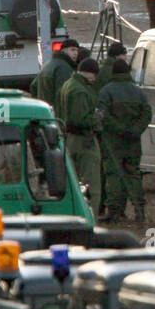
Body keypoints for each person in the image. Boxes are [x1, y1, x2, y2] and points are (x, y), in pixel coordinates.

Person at [97, 59, 152, 224]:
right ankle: (139, 209)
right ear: (128, 72)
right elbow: (147, 114)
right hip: (134, 141)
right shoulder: (138, 92)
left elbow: (103, 115)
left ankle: (114, 211)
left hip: (113, 141)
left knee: (114, 175)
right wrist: (135, 130)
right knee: (133, 174)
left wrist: (119, 128)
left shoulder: (106, 91)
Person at [59, 58, 103, 217]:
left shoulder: (68, 85)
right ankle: (90, 220)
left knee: (74, 184)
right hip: (85, 141)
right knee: (92, 186)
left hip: (69, 139)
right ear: (90, 74)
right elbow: (80, 120)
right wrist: (98, 117)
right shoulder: (80, 90)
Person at [30, 37, 81, 109]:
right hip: (57, 113)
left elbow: (33, 87)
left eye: (77, 50)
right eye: (72, 50)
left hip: (45, 110)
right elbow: (64, 94)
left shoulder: (48, 64)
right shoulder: (63, 68)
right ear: (64, 50)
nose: (76, 53)